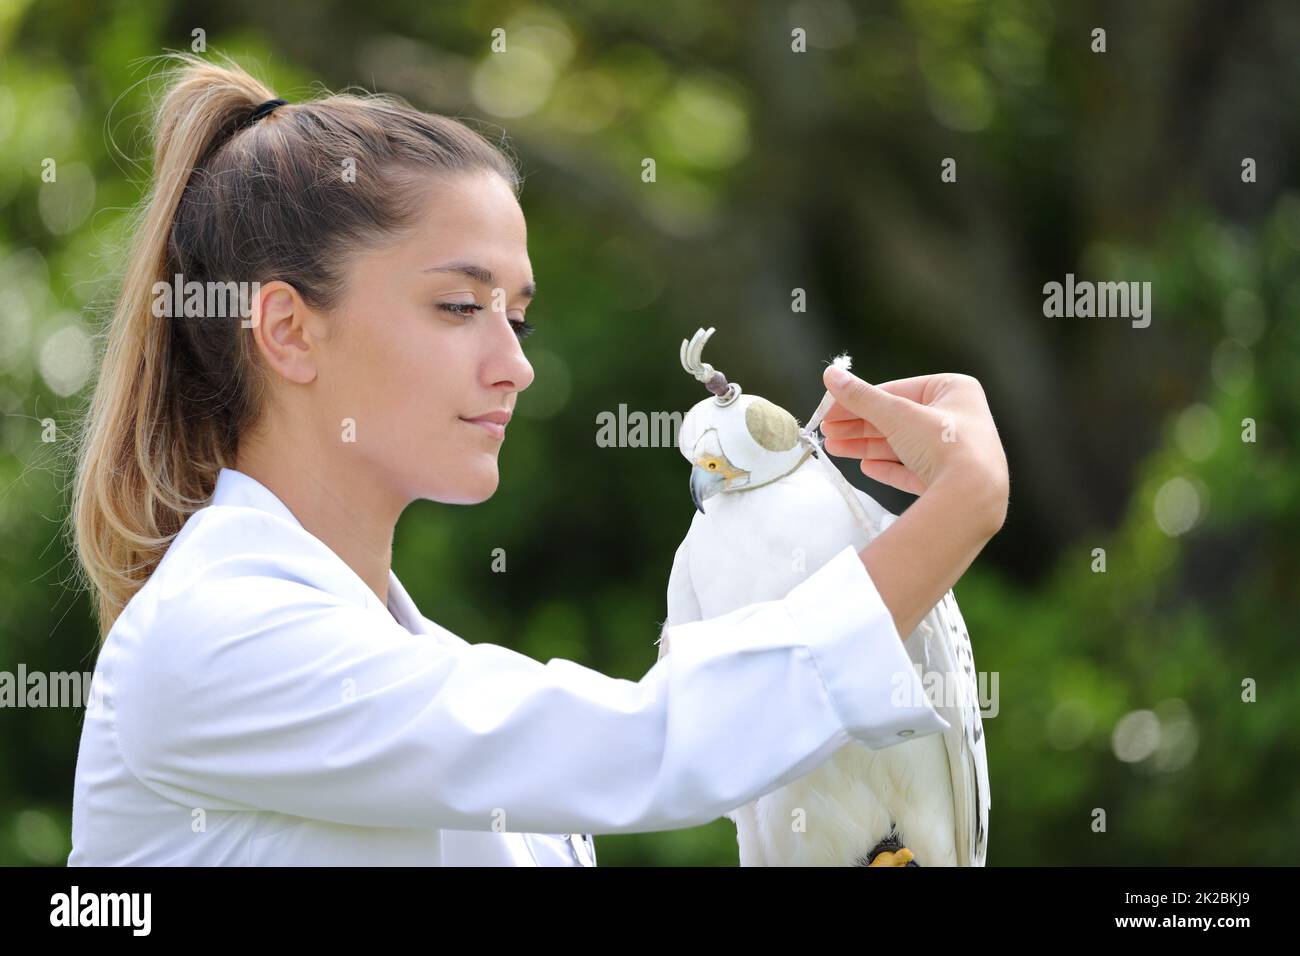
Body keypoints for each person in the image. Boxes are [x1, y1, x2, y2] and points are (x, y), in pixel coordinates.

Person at [66, 54, 1010, 866]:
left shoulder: (405, 657)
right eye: (459, 306)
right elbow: (649, 746)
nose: (516, 363)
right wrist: (959, 507)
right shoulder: (216, 638)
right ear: (287, 329)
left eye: (516, 315)